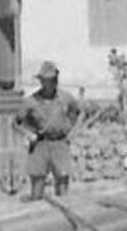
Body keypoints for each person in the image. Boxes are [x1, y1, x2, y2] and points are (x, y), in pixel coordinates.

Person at [16, 60, 79, 198]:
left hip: (60, 143)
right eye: (47, 80)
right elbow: (16, 122)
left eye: (53, 79)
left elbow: (77, 112)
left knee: (62, 182)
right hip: (40, 144)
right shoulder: (31, 101)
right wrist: (28, 133)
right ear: (41, 81)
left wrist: (71, 131)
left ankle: (62, 215)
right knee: (37, 183)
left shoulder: (65, 98)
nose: (51, 83)